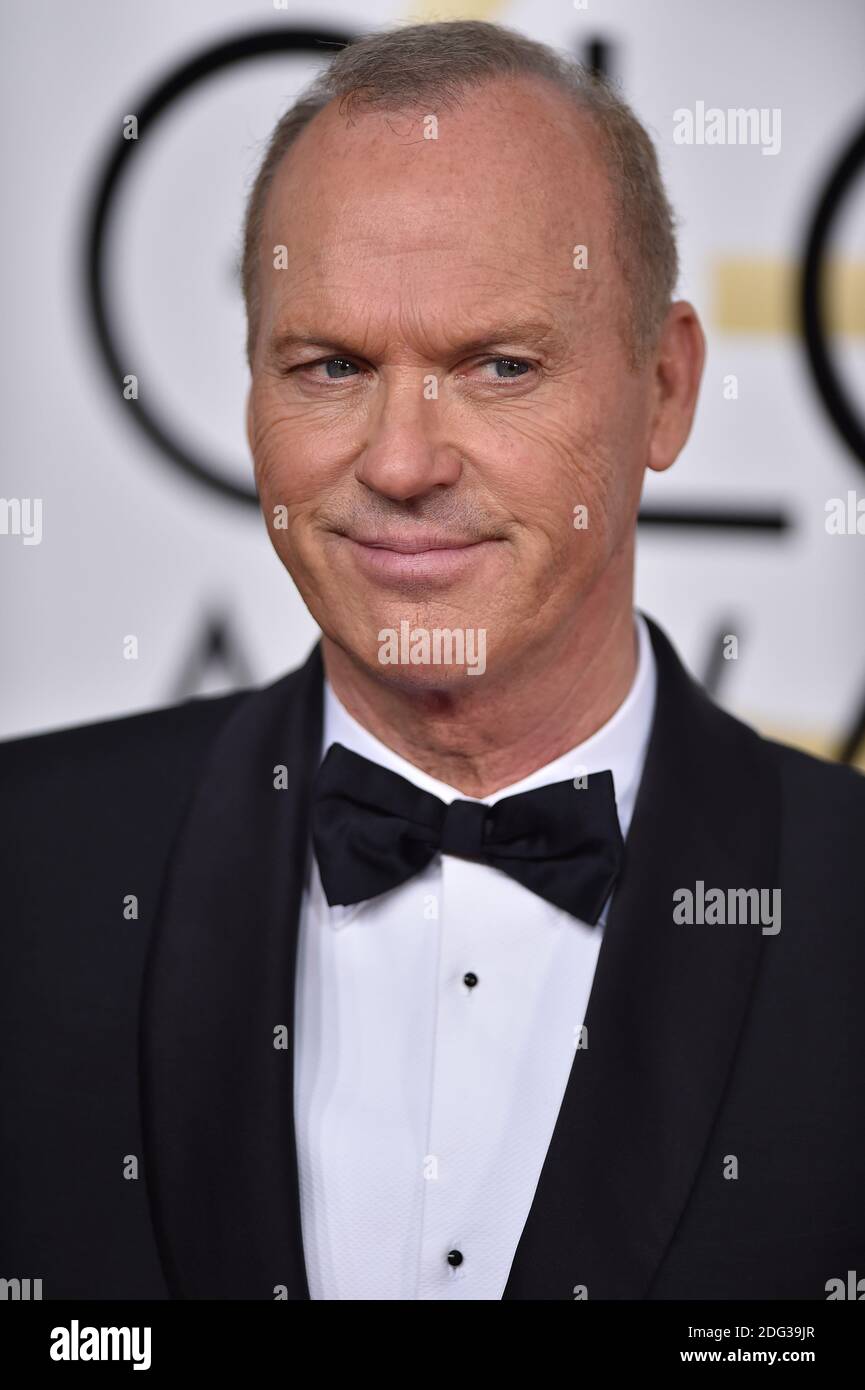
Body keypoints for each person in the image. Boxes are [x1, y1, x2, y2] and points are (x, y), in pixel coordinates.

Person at [1, 19, 863, 1302]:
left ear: (667, 388)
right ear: (249, 390)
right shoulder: (25, 863)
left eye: (498, 366)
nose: (402, 464)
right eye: (332, 365)